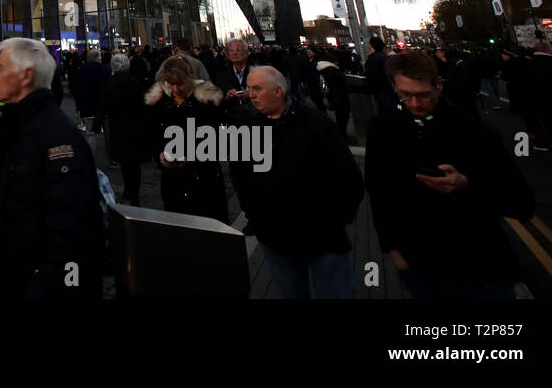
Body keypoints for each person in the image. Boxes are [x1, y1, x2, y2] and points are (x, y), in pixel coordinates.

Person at [366, 50, 535, 298]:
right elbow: (379, 193)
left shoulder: (475, 132)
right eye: (406, 95)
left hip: (480, 269)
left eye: (424, 94)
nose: (415, 103)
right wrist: (395, 252)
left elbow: (521, 203)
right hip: (419, 268)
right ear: (394, 87)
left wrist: (467, 184)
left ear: (439, 85)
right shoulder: (382, 130)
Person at [229, 66, 364, 299]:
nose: (251, 94)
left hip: (323, 235)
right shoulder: (248, 128)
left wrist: (335, 218)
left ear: (278, 91)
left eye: (257, 89)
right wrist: (258, 217)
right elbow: (241, 176)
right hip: (276, 237)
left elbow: (347, 176)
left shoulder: (315, 123)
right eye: (249, 89)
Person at [0, 37, 102, 299]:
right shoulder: (17, 127)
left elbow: (72, 236)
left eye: (1, 67)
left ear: (26, 76)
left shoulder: (56, 139)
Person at [144, 54, 229, 223]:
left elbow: (220, 138)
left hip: (205, 179)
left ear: (191, 78)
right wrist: (160, 155)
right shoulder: (159, 102)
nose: (175, 89)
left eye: (179, 84)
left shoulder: (208, 101)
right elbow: (151, 135)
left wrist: (193, 154)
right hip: (173, 181)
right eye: (171, 84)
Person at [91, 53, 146, 205]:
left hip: (117, 126)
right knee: (135, 162)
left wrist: (95, 127)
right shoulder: (136, 83)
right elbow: (143, 105)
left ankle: (128, 189)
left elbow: (101, 107)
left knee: (124, 160)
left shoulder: (108, 85)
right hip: (135, 126)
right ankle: (134, 192)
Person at [365, 36, 395, 113]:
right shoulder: (384, 56)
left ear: (371, 45)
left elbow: (373, 77)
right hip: (388, 89)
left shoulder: (373, 59)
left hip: (381, 90)